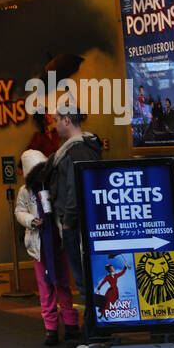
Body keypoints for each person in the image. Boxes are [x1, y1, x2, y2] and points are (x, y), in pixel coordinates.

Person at [15, 150, 79, 346]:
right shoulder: (25, 192)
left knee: (63, 283)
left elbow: (67, 205)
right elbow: (19, 211)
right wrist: (31, 221)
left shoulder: (55, 185)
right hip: (39, 243)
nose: (43, 175)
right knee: (45, 287)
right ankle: (51, 328)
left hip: (57, 240)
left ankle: (70, 324)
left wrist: (55, 202)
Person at [46, 106, 102, 301]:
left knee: (83, 280)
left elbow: (74, 190)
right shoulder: (90, 147)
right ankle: (96, 324)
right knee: (92, 276)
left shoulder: (73, 153)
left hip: (75, 225)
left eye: (56, 120)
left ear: (67, 120)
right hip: (91, 220)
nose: (54, 126)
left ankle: (92, 327)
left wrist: (68, 222)